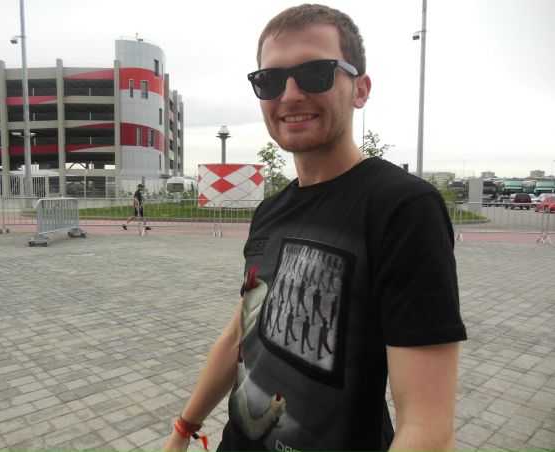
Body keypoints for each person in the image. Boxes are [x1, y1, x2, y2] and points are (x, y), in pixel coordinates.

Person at [161, 4, 466, 452]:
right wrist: (182, 430)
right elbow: (238, 335)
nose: (289, 95)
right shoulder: (270, 211)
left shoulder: (402, 208)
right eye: (270, 80)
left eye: (315, 73)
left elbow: (428, 430)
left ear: (360, 90)